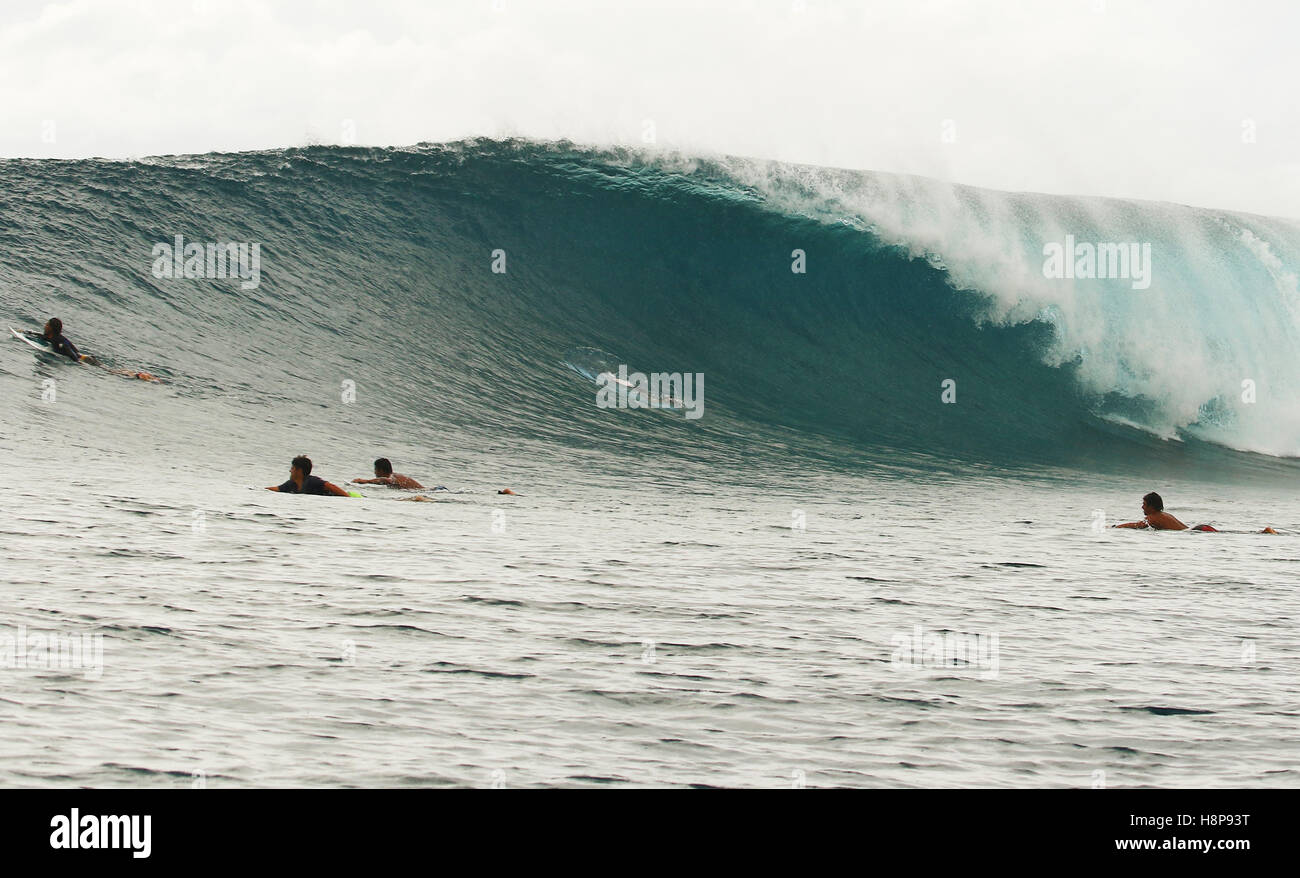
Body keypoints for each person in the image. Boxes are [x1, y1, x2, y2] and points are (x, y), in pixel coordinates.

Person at [1113, 492, 1216, 531]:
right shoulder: (1165, 515)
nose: (1142, 507)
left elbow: (1136, 525)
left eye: (1144, 504)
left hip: (1199, 530)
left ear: (1151, 506)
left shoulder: (1153, 517)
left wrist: (1116, 527)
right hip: (1200, 528)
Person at [267, 455, 350, 496]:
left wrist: (347, 498)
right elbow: (277, 489)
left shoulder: (312, 481)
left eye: (292, 468)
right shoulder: (291, 484)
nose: (290, 471)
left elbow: (331, 486)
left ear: (299, 470)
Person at [352, 458, 423, 489]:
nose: (374, 472)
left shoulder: (392, 477)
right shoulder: (395, 476)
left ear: (381, 470)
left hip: (426, 492)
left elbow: (386, 480)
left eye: (375, 469)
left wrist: (366, 481)